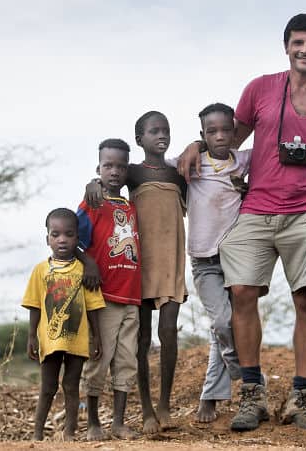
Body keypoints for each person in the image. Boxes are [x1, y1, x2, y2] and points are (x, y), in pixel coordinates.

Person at [178, 12, 306, 433]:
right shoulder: (260, 89)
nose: (305, 50)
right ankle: (252, 394)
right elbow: (228, 137)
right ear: (286, 47)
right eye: (298, 42)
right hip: (257, 206)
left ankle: (301, 395)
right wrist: (193, 142)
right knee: (241, 291)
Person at [85, 113, 188, 433]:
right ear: (139, 138)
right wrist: (92, 183)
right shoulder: (132, 171)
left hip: (170, 259)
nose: (162, 135)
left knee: (168, 331)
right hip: (138, 263)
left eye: (166, 130)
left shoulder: (178, 173)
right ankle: (145, 409)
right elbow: (106, 178)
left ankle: (165, 405)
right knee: (141, 338)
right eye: (153, 131)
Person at [182, 103, 251, 422]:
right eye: (212, 132)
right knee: (223, 323)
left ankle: (210, 396)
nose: (221, 136)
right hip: (205, 261)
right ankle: (246, 373)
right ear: (203, 136)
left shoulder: (243, 160)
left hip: (236, 260)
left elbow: (272, 149)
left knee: (221, 329)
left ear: (235, 132)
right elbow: (148, 168)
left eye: (227, 130)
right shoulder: (191, 164)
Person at [77, 139, 142, 441]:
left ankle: (118, 422)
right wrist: (88, 260)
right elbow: (70, 239)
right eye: (108, 166)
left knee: (127, 360)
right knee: (99, 360)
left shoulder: (131, 204)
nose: (114, 171)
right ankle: (93, 422)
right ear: (98, 168)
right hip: (104, 297)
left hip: (131, 295)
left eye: (121, 166)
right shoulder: (92, 201)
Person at [22, 208, 104, 441]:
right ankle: (37, 435)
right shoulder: (40, 270)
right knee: (47, 387)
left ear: (77, 239)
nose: (62, 239)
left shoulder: (84, 271)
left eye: (68, 234)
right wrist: (31, 337)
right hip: (49, 340)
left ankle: (69, 433)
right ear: (47, 238)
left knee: (71, 385)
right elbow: (34, 305)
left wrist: (96, 337)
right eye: (55, 234)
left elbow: (93, 306)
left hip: (77, 341)